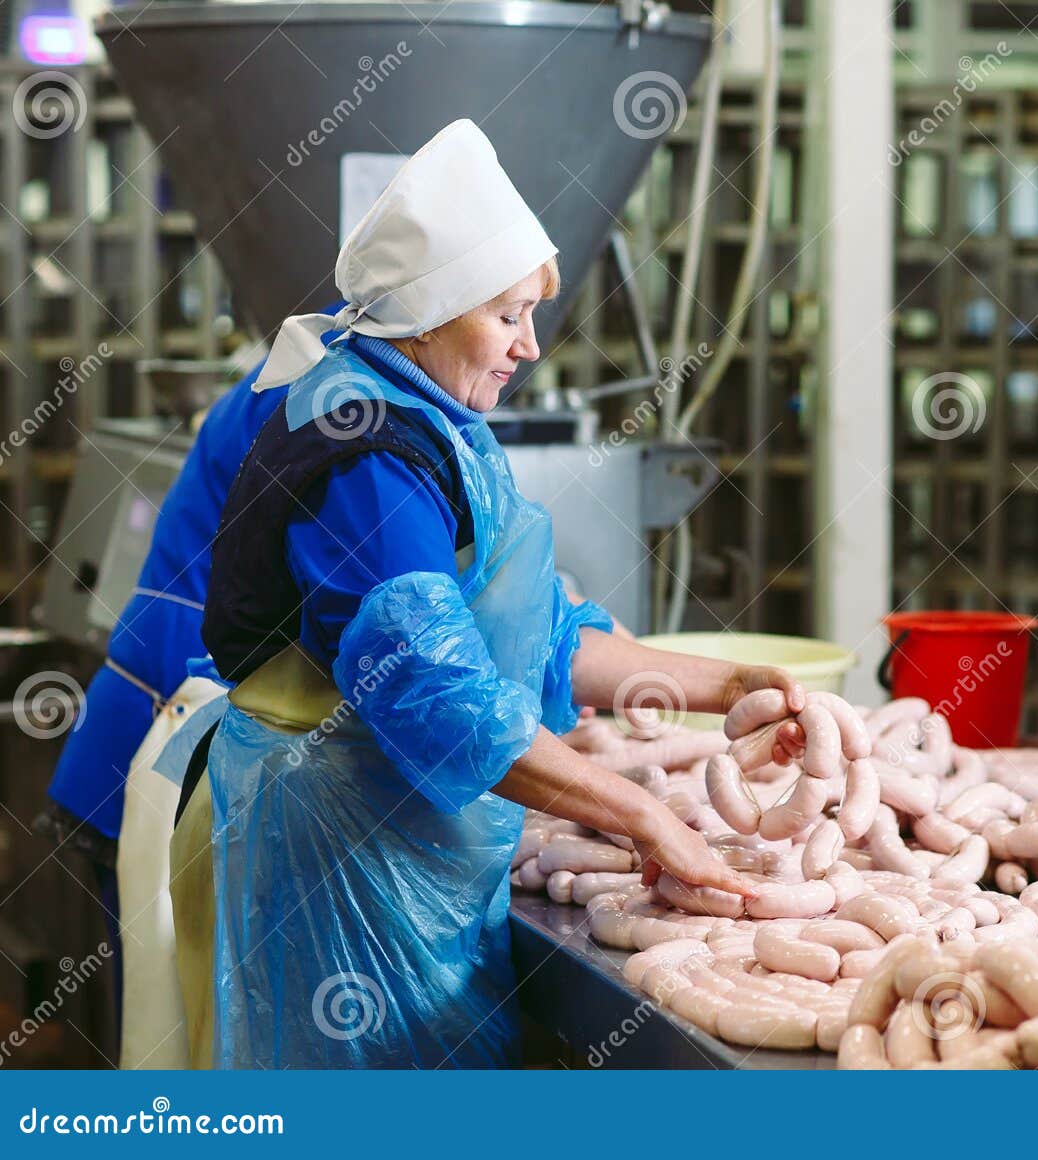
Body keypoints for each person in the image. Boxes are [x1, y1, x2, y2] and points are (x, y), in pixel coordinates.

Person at [178, 119, 803, 1069]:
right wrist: (642, 816)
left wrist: (732, 687)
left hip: (409, 837)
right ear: (431, 313)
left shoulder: (438, 417)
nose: (531, 347)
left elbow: (544, 638)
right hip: (343, 849)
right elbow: (441, 701)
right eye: (509, 316)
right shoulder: (367, 449)